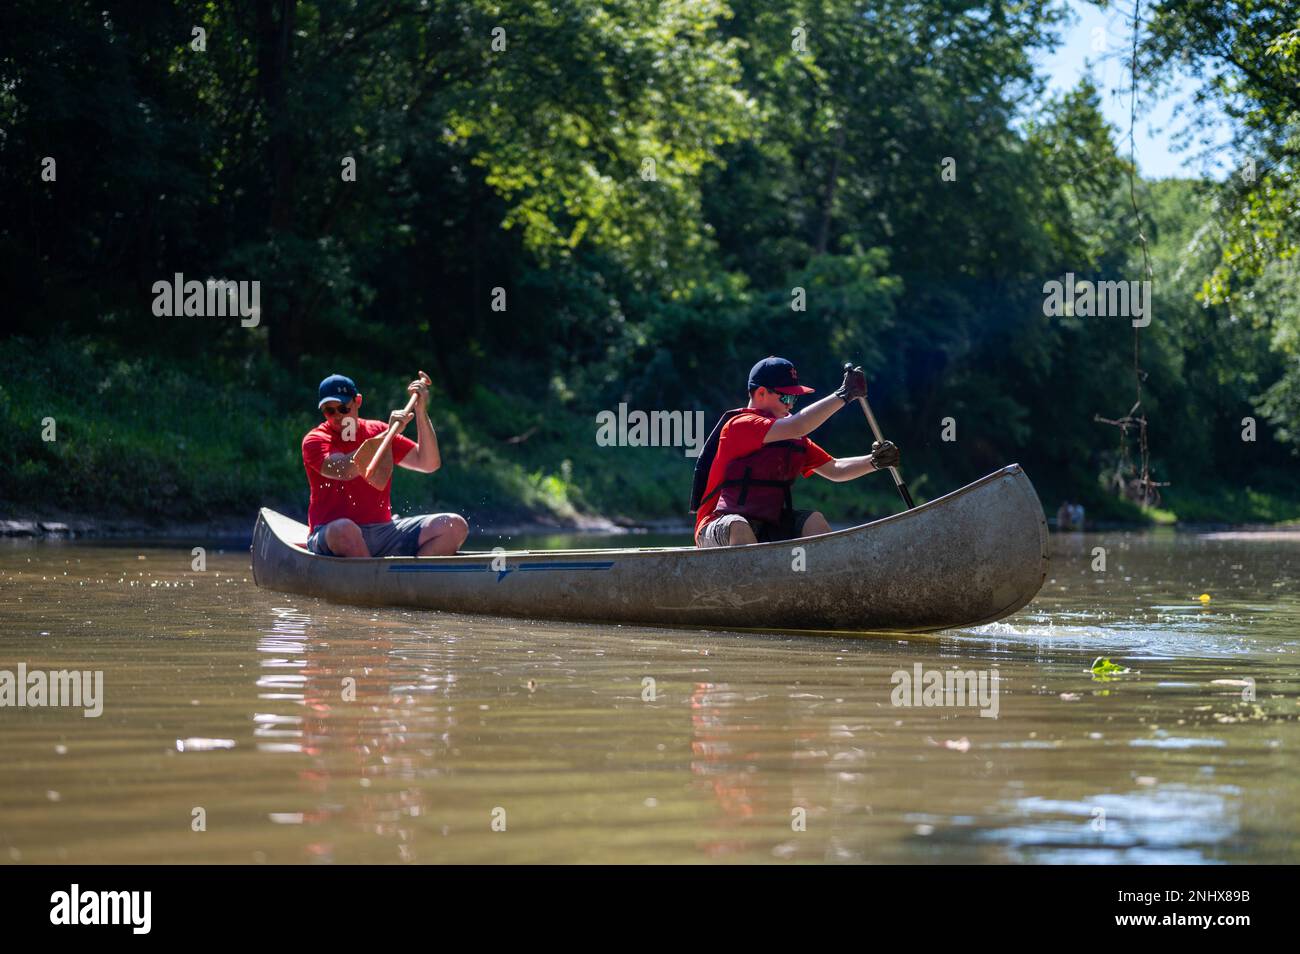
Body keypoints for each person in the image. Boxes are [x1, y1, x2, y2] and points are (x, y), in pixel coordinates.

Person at [690, 357, 901, 547]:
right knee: (738, 526)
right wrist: (844, 395)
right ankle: (753, 587)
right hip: (716, 527)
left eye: (794, 399)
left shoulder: (791, 438)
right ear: (761, 393)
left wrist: (874, 461)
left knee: (814, 521)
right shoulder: (741, 425)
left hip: (768, 527)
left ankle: (827, 583)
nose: (790, 405)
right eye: (786, 398)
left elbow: (835, 469)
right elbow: (798, 425)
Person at [301, 372, 468, 557]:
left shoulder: (377, 430)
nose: (337, 416)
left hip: (384, 532)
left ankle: (410, 581)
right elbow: (343, 470)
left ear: (357, 401)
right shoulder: (315, 440)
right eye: (329, 411)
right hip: (333, 534)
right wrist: (387, 435)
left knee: (455, 525)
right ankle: (374, 582)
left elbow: (429, 463)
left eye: (342, 408)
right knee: (345, 529)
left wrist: (421, 412)